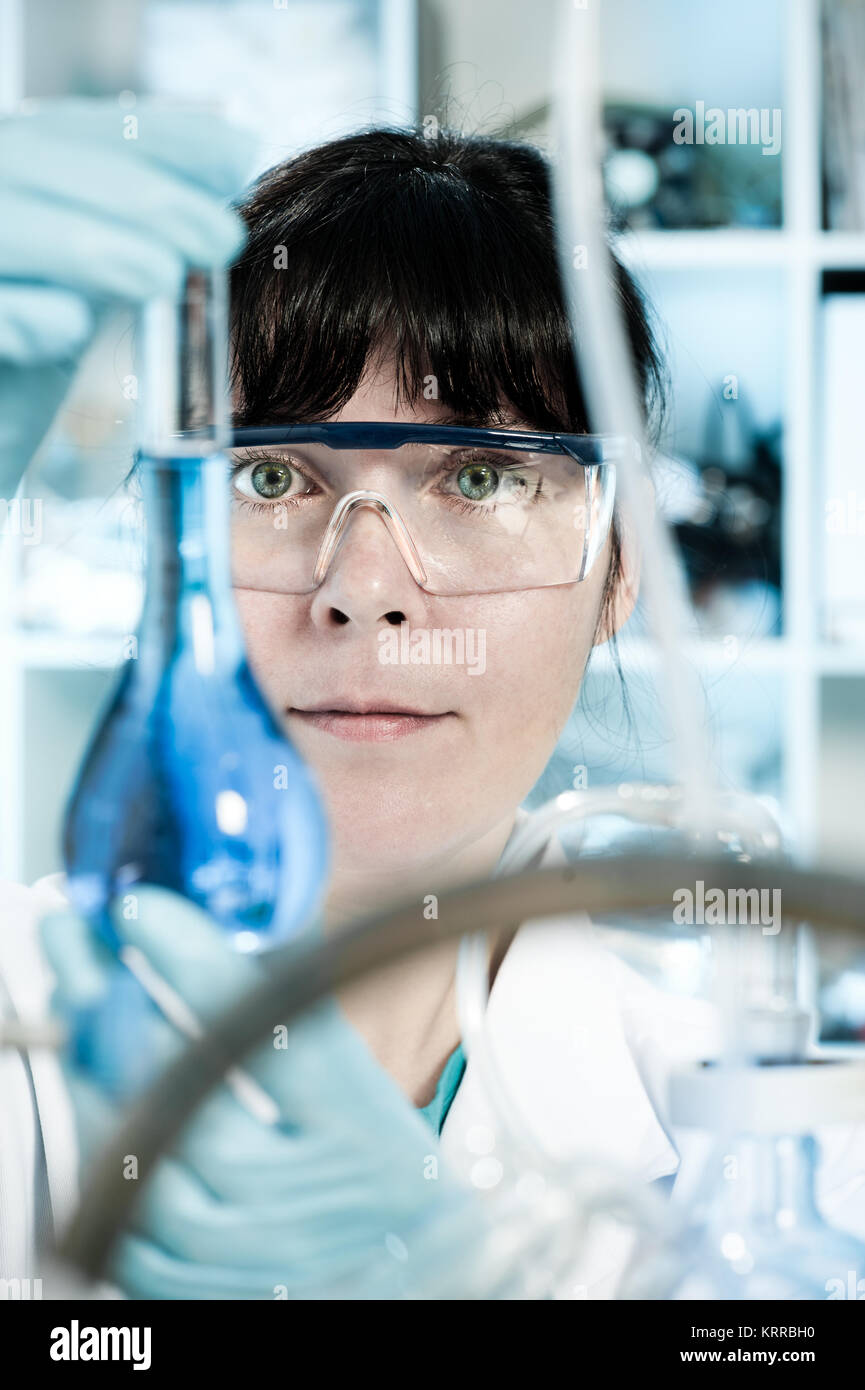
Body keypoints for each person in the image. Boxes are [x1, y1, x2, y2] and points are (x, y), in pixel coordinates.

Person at [1, 102, 864, 1301]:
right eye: (270, 474)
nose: (363, 591)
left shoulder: (798, 1159)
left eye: (477, 474)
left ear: (618, 572)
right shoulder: (17, 1018)